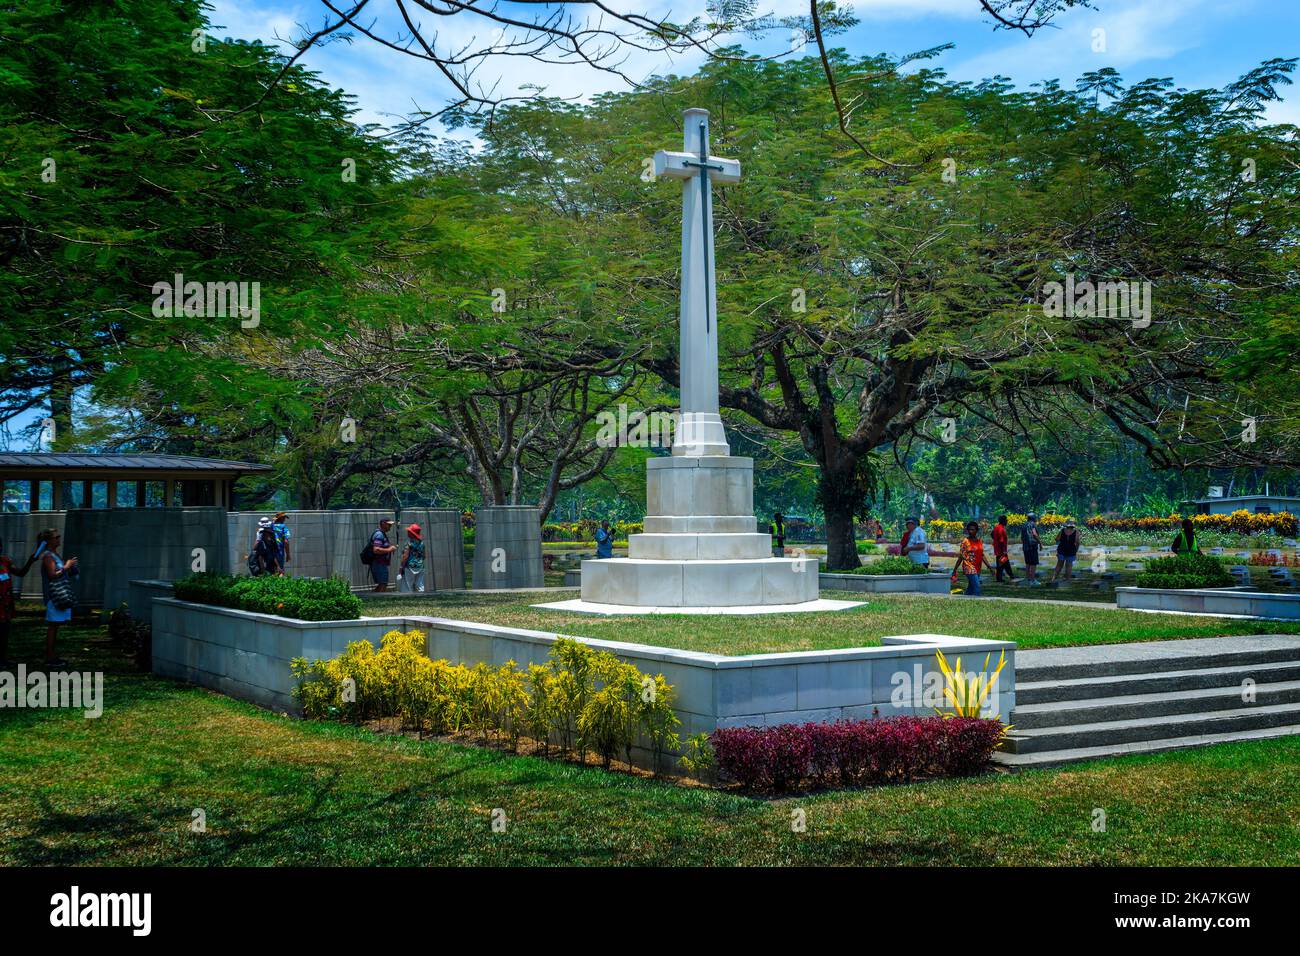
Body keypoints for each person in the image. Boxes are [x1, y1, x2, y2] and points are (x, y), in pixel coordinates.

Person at [37, 528, 78, 669]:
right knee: (52, 626)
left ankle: (52, 655)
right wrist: (66, 566)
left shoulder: (55, 554)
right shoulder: (48, 556)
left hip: (59, 594)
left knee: (55, 626)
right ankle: (49, 657)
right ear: (48, 540)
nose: (58, 539)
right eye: (56, 537)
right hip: (54, 596)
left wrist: (70, 568)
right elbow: (52, 575)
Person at [0, 536, 40, 670]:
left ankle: (2, 659)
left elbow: (21, 572)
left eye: (0, 545)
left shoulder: (5, 561)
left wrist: (30, 560)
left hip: (5, 604)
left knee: (4, 632)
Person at [954, 520, 996, 596]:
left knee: (970, 588)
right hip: (969, 567)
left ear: (976, 530)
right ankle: (979, 602)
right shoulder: (965, 542)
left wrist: (989, 567)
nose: (970, 531)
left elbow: (982, 555)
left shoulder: (979, 541)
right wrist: (955, 569)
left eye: (972, 529)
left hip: (977, 568)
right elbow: (961, 556)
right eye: (969, 529)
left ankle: (964, 599)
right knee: (977, 587)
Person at [1048, 519, 1082, 585]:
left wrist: (1062, 541)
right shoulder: (1076, 532)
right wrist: (1076, 550)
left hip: (1061, 549)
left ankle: (1053, 578)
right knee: (1069, 566)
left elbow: (1057, 539)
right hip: (1071, 550)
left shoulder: (1062, 530)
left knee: (1059, 565)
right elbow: (1077, 542)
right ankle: (1067, 580)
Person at [370, 518, 397, 591]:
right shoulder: (379, 535)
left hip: (381, 563)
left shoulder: (382, 534)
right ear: (383, 524)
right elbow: (376, 549)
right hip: (379, 563)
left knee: (382, 583)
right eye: (389, 524)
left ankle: (375, 598)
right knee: (383, 584)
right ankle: (377, 598)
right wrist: (389, 549)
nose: (390, 526)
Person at [400, 523, 428, 593]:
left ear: (412, 533)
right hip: (420, 566)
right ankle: (422, 597)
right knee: (420, 584)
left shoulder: (408, 543)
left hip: (410, 567)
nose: (408, 532)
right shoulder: (422, 543)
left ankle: (408, 599)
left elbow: (405, 556)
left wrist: (401, 566)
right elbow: (424, 556)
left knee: (408, 584)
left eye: (409, 531)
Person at [992, 515, 1015, 582]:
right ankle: (1009, 576)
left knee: (1002, 564)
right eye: (1006, 520)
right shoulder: (1001, 529)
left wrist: (995, 541)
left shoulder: (996, 527)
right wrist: (1003, 551)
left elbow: (992, 534)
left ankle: (1006, 576)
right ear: (1003, 521)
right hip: (1001, 550)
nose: (1007, 521)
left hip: (997, 549)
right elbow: (1001, 541)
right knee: (1003, 564)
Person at [1021, 512, 1042, 586]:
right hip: (1032, 546)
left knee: (1028, 563)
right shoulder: (1032, 524)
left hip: (1025, 547)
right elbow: (1034, 534)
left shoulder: (1024, 525)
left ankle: (1027, 579)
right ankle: (1033, 580)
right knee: (1033, 563)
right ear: (1033, 518)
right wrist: (1040, 543)